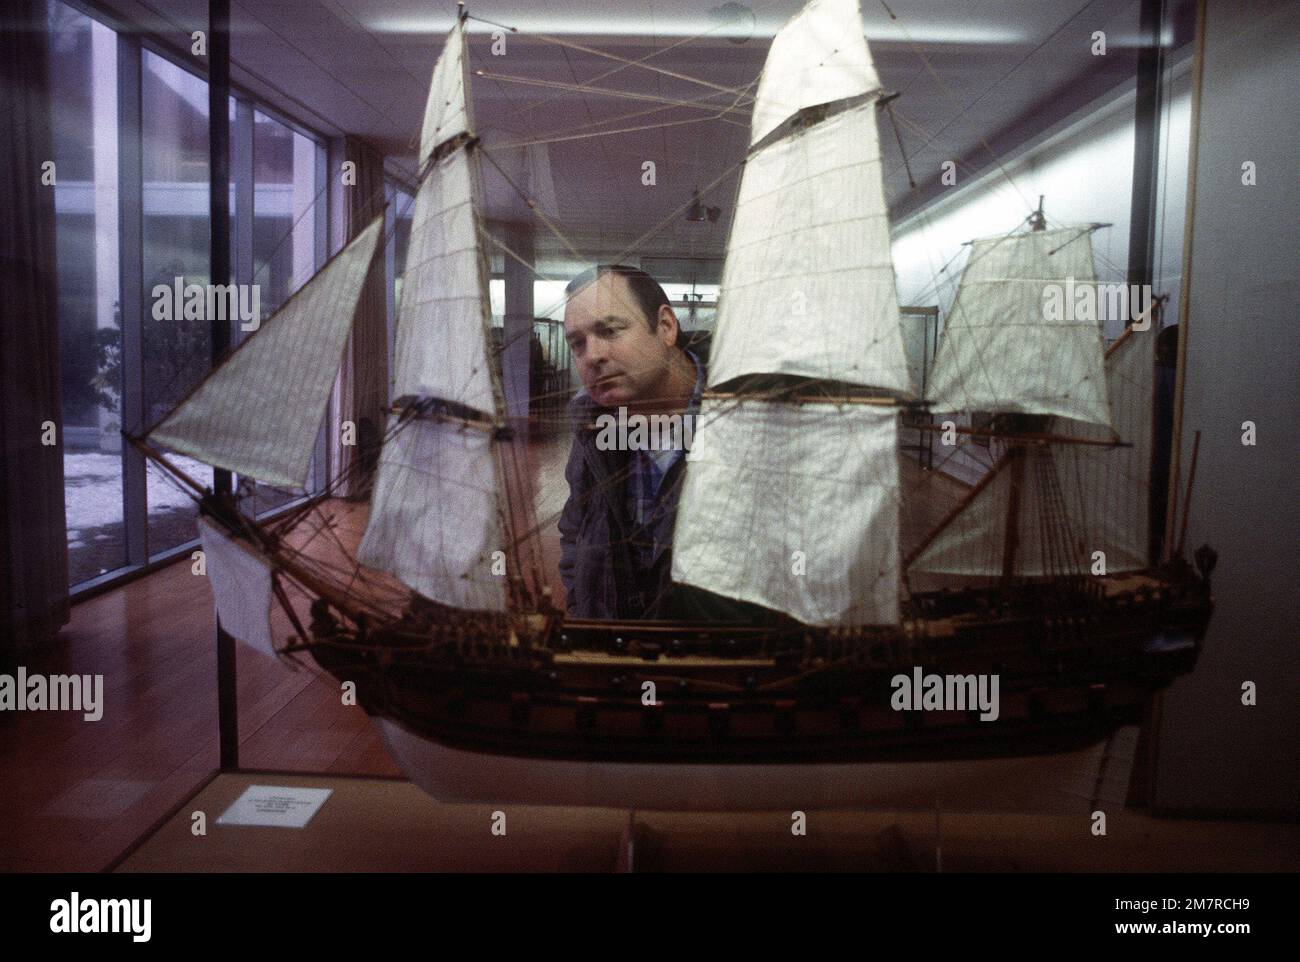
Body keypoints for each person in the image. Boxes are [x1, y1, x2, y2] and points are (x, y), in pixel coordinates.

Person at [557, 265, 756, 621]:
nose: (592, 355)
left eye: (611, 330)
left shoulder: (748, 416)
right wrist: (582, 607)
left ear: (665, 326)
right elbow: (576, 529)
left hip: (712, 659)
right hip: (613, 651)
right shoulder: (592, 421)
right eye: (578, 343)